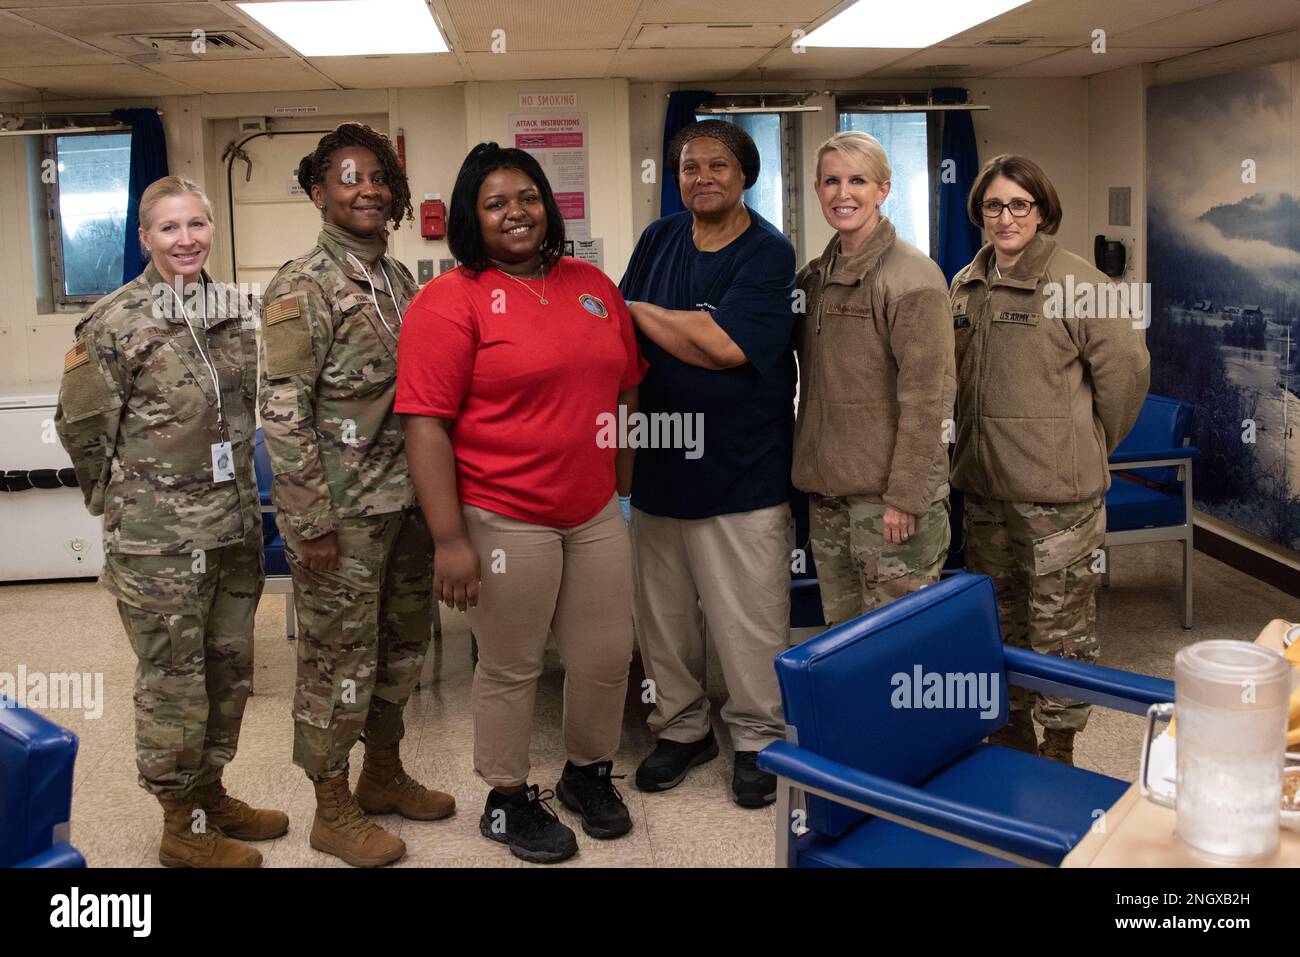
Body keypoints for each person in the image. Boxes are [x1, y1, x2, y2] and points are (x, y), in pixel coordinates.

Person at [397, 142, 645, 864]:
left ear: (549, 204)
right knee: (511, 664)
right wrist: (449, 538)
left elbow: (628, 382)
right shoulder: (450, 300)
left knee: (605, 656)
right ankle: (506, 799)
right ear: (474, 218)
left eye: (528, 197)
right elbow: (425, 423)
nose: (516, 212)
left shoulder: (592, 284)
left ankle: (588, 773)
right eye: (496, 202)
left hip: (594, 510)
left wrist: (622, 482)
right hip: (503, 514)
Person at [56, 175, 285, 868]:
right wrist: (130, 501)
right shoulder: (114, 322)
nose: (186, 239)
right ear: (146, 237)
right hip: (157, 543)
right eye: (170, 228)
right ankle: (177, 824)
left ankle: (211, 792)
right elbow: (82, 429)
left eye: (196, 225)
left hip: (233, 528)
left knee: (229, 670)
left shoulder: (233, 310)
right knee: (173, 680)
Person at [258, 123, 453, 868]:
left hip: (406, 503)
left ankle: (383, 773)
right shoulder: (300, 285)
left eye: (378, 178)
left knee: (399, 648)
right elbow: (283, 409)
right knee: (337, 660)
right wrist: (306, 521)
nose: (367, 189)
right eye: (348, 177)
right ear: (319, 192)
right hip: (341, 515)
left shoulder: (400, 281)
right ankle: (331, 806)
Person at [949, 154, 1149, 764]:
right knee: (999, 619)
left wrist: (1087, 444)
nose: (1005, 217)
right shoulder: (965, 282)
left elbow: (1128, 375)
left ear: (1042, 210)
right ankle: (1009, 732)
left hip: (1059, 500)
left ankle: (1058, 748)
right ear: (979, 212)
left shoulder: (1084, 284)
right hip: (985, 491)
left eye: (1019, 204)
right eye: (993, 205)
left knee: (1061, 631)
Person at [620, 119, 797, 807]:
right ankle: (682, 727)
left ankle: (757, 737)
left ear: (744, 173)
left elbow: (720, 344)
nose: (702, 179)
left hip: (741, 470)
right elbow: (625, 335)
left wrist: (638, 309)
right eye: (690, 168)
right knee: (662, 620)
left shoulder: (768, 254)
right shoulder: (659, 238)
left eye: (717, 166)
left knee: (748, 621)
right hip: (662, 469)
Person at [795, 131, 955, 625]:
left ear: (883, 190)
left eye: (858, 180)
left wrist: (905, 499)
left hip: (890, 503)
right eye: (832, 181)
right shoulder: (814, 278)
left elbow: (929, 399)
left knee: (896, 647)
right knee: (843, 642)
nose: (844, 194)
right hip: (829, 496)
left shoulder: (912, 278)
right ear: (818, 190)